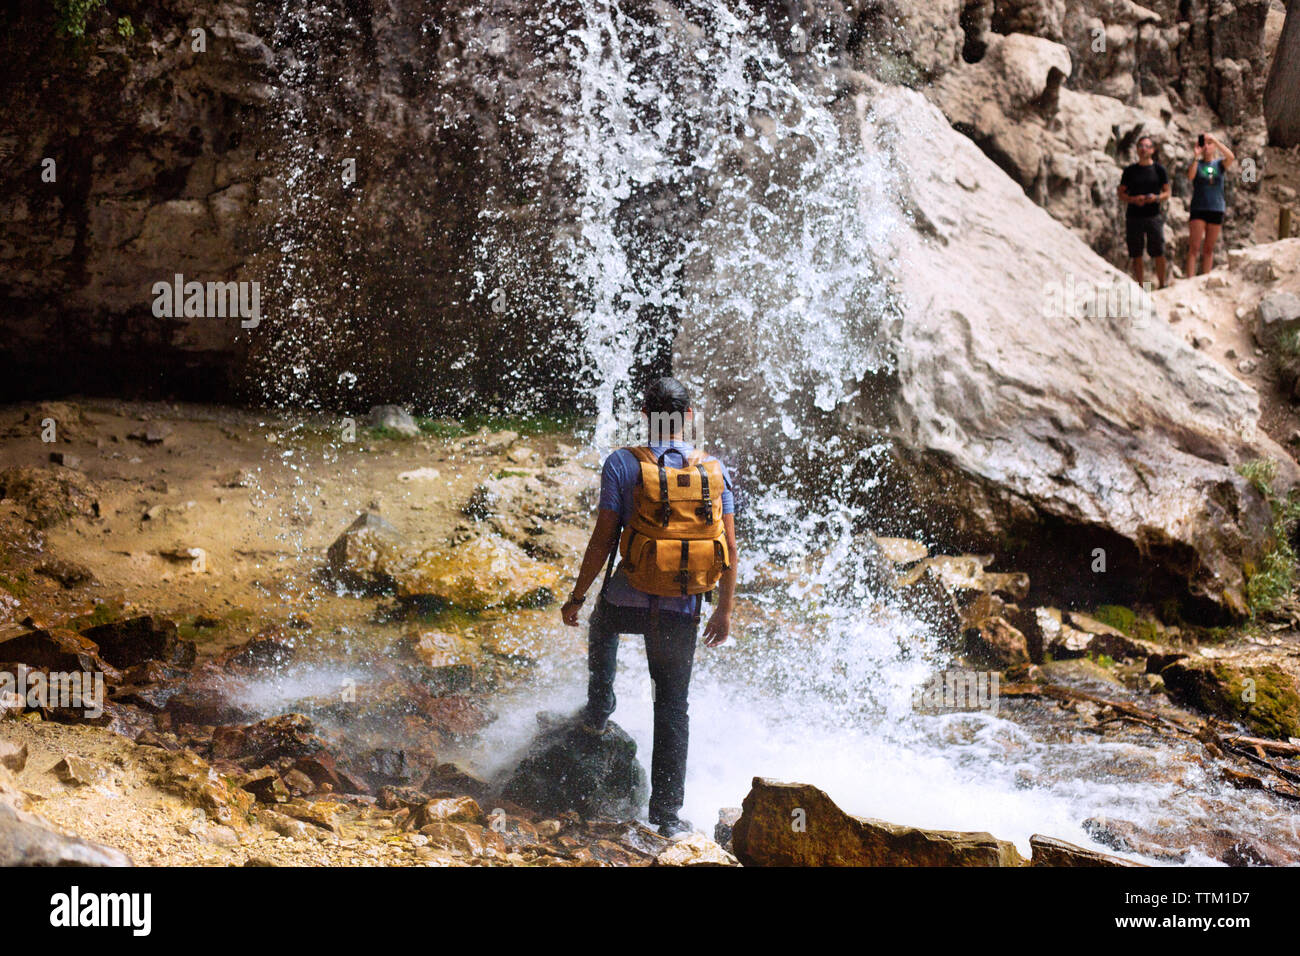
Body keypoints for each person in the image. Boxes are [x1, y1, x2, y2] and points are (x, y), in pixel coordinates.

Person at [560, 376, 738, 839]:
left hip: (628, 599)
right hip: (683, 608)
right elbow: (730, 548)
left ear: (644, 415)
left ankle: (600, 705)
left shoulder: (623, 464)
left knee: (602, 623)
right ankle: (666, 815)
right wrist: (723, 611)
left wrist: (577, 596)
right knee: (672, 705)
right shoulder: (713, 469)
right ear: (689, 416)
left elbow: (604, 539)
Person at [1117, 135, 1171, 288]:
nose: (1143, 149)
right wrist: (1133, 199)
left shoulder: (1159, 170)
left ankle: (1162, 285)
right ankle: (1142, 287)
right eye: (1141, 146)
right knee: (1136, 253)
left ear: (1152, 150)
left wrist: (1155, 198)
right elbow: (1121, 193)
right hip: (1134, 216)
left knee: (1158, 251)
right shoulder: (1130, 171)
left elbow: (1167, 192)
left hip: (1153, 215)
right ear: (1136, 149)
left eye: (1147, 146)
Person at [1185, 132, 1235, 278]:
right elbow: (1190, 176)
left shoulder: (1219, 164)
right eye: (1204, 144)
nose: (1206, 147)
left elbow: (1231, 157)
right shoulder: (1197, 164)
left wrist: (1216, 141)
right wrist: (1196, 155)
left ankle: (1205, 278)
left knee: (1209, 249)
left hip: (1216, 208)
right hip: (1199, 208)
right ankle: (1190, 280)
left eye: (1209, 144)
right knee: (1194, 248)